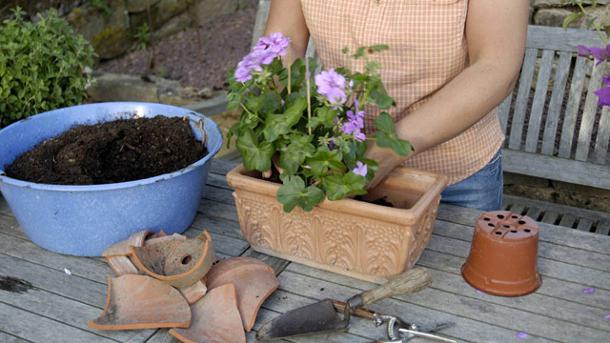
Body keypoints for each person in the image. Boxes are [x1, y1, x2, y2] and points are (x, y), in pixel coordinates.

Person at [262, 0, 528, 211]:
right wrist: (285, 123)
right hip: (330, 166)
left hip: (451, 180)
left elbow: (495, 65)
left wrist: (388, 148)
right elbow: (286, 38)